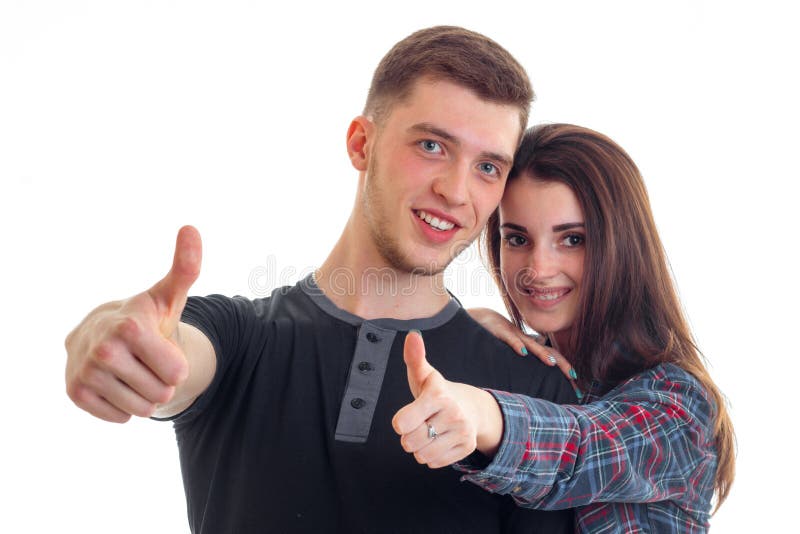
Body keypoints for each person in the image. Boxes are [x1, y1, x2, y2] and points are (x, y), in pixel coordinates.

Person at [64, 27, 578, 533]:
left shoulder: (536, 395)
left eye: (488, 167)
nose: (456, 191)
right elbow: (171, 348)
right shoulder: (240, 336)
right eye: (431, 145)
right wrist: (109, 333)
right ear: (361, 144)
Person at [392, 123, 736, 532]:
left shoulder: (679, 404)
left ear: (622, 247)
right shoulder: (518, 368)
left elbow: (580, 448)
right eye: (517, 239)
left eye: (572, 240)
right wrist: (468, 336)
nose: (538, 270)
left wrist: (483, 414)